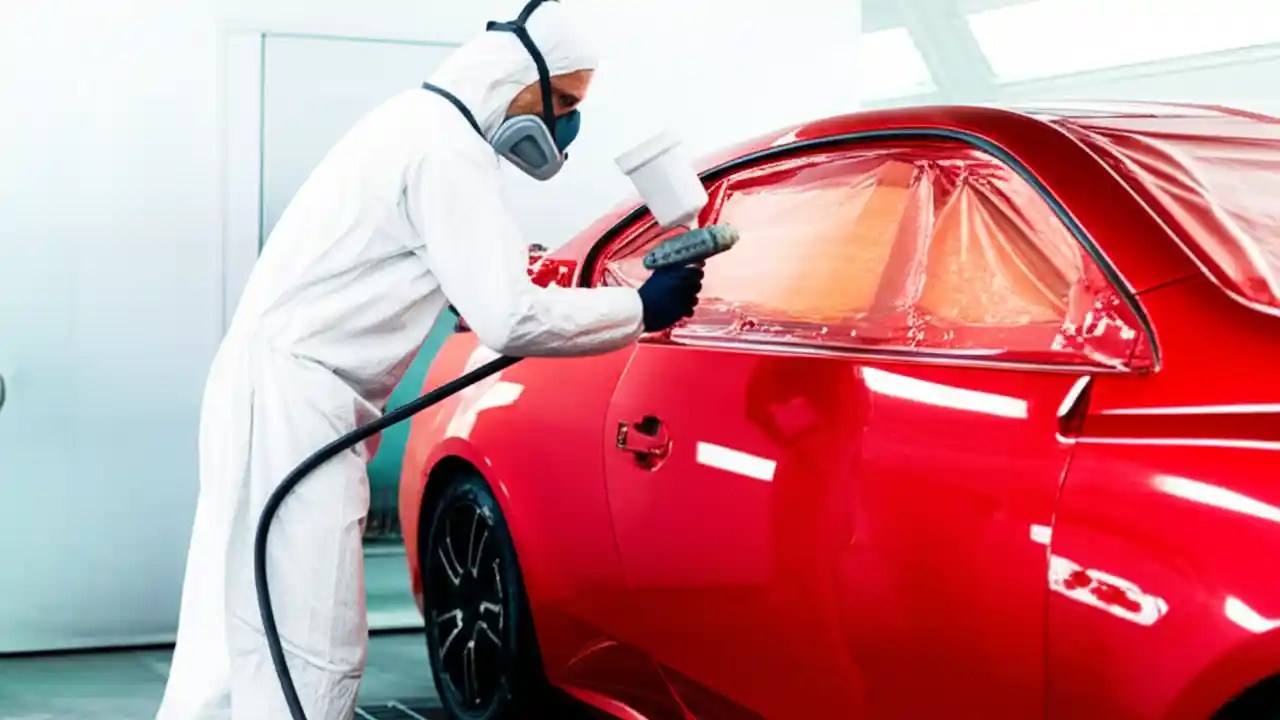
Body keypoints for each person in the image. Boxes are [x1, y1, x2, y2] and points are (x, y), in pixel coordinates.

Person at [156, 1, 703, 717]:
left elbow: (422, 268)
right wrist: (642, 308)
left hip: (276, 387)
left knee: (245, 628)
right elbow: (507, 318)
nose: (568, 124)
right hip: (293, 402)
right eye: (564, 102)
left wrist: (492, 277)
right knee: (309, 631)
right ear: (516, 79)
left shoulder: (416, 125)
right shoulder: (449, 149)